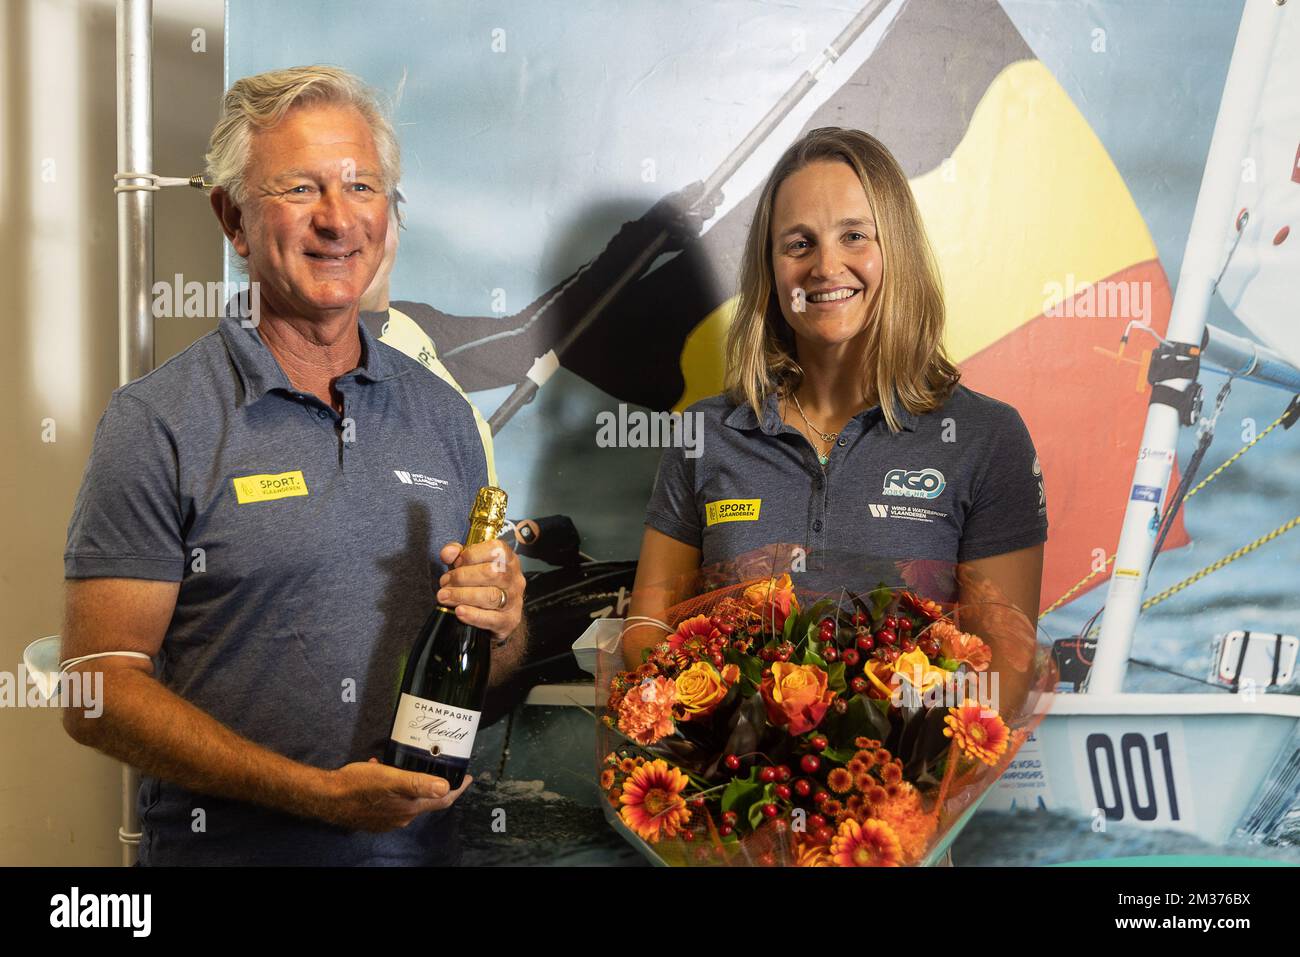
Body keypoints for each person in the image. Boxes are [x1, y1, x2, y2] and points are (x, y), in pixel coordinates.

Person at [60, 65, 526, 866]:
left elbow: (498, 675)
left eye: (361, 186)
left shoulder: (444, 416)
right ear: (233, 220)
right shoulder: (158, 422)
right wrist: (313, 793)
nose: (338, 219)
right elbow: (96, 686)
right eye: (300, 189)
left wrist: (507, 625)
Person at [624, 127, 1048, 674]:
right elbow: (646, 629)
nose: (825, 267)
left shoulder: (987, 438)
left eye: (855, 236)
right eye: (798, 243)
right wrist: (716, 720)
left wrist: (883, 750)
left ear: (898, 249)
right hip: (735, 762)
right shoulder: (706, 433)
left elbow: (1004, 669)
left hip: (910, 761)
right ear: (770, 268)